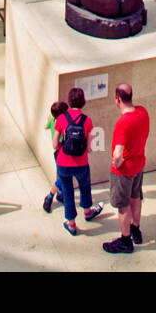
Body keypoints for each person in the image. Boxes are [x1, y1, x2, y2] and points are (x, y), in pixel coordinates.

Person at [103, 83, 149, 255]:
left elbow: (118, 154)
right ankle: (136, 228)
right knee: (135, 197)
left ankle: (125, 240)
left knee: (123, 206)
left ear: (118, 99)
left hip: (124, 171)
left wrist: (116, 164)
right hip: (139, 165)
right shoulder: (143, 112)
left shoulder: (122, 123)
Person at [52, 87, 103, 236]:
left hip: (63, 163)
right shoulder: (87, 121)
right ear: (83, 102)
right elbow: (89, 148)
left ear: (69, 101)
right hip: (81, 163)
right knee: (85, 187)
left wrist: (63, 146)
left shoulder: (61, 118)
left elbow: (55, 144)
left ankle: (72, 224)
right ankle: (87, 212)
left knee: (67, 192)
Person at [42, 99, 66, 214]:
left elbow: (45, 127)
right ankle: (50, 196)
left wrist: (49, 121)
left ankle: (60, 194)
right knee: (63, 177)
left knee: (61, 174)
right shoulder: (61, 125)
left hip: (55, 153)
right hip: (61, 153)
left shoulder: (53, 120)